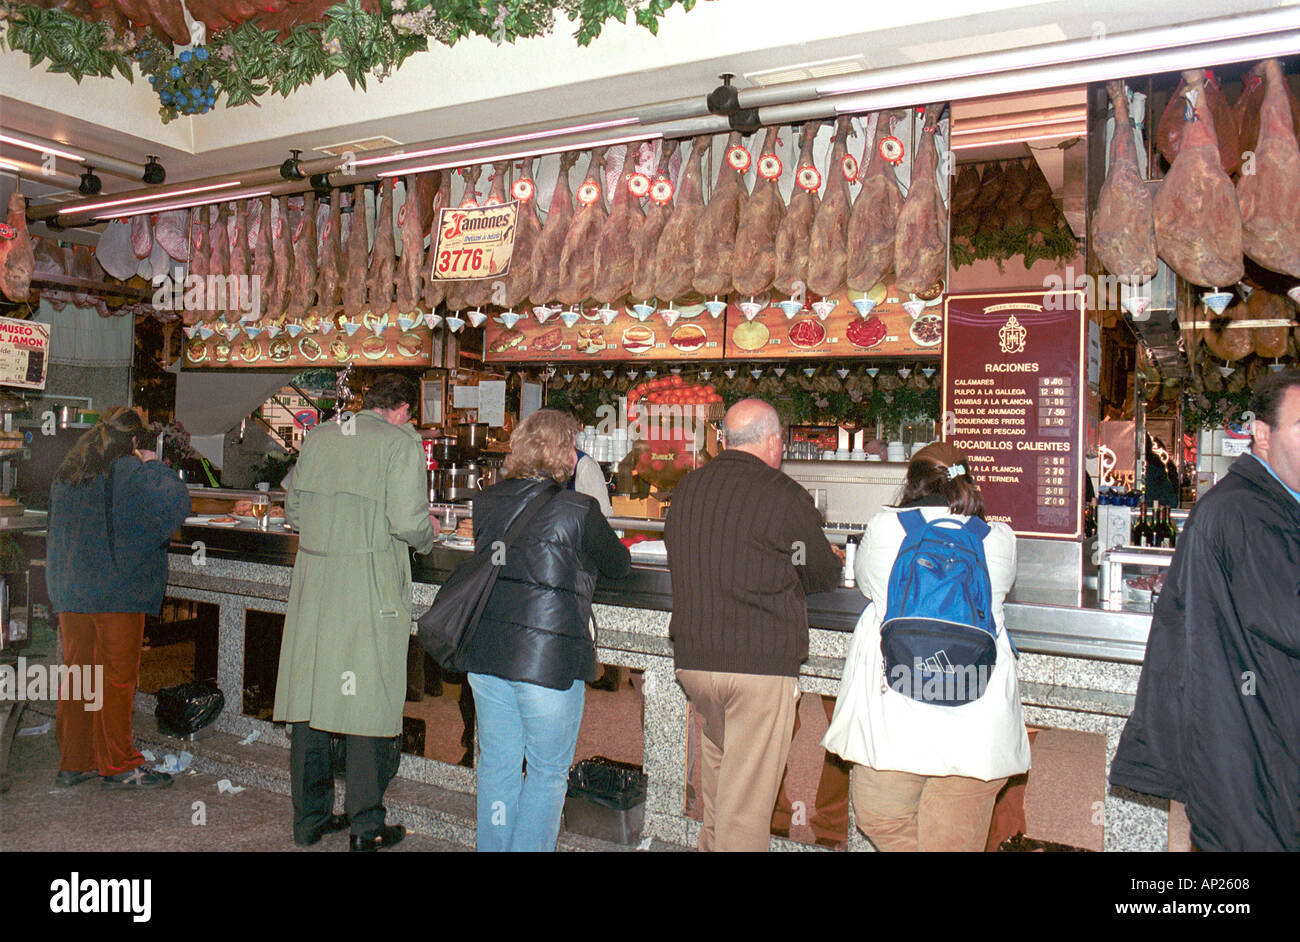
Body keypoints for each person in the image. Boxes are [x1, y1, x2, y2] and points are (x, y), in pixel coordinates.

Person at [1110, 369, 1300, 851]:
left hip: (1261, 749)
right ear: (1262, 433)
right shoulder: (1245, 512)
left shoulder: (1270, 503)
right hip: (1250, 757)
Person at [823, 442, 1030, 852]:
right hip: (977, 715)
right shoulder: (999, 538)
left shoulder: (886, 528)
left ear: (912, 481)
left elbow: (866, 584)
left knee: (878, 815)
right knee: (950, 842)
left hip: (895, 715)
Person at [665, 398, 841, 852]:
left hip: (696, 663)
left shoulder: (687, 488)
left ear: (724, 439)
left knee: (722, 789)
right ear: (772, 440)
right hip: (758, 667)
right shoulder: (783, 493)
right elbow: (821, 573)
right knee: (747, 811)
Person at [273, 373, 439, 852]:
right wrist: (430, 537)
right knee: (366, 699)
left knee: (310, 699)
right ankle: (367, 826)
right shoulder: (399, 444)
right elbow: (409, 522)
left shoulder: (322, 435)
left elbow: (296, 513)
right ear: (403, 408)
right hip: (367, 583)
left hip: (315, 581)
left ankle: (309, 821)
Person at [459, 408, 630, 852]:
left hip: (488, 653)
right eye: (572, 445)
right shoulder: (580, 509)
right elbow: (620, 565)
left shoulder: (487, 502)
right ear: (563, 454)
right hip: (548, 662)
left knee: (497, 765)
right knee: (547, 772)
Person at [46, 407, 191, 790]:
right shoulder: (132, 471)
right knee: (115, 681)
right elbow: (175, 504)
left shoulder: (70, 472)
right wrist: (155, 465)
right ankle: (119, 763)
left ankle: (74, 761)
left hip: (72, 593)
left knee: (79, 677)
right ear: (131, 441)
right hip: (117, 596)